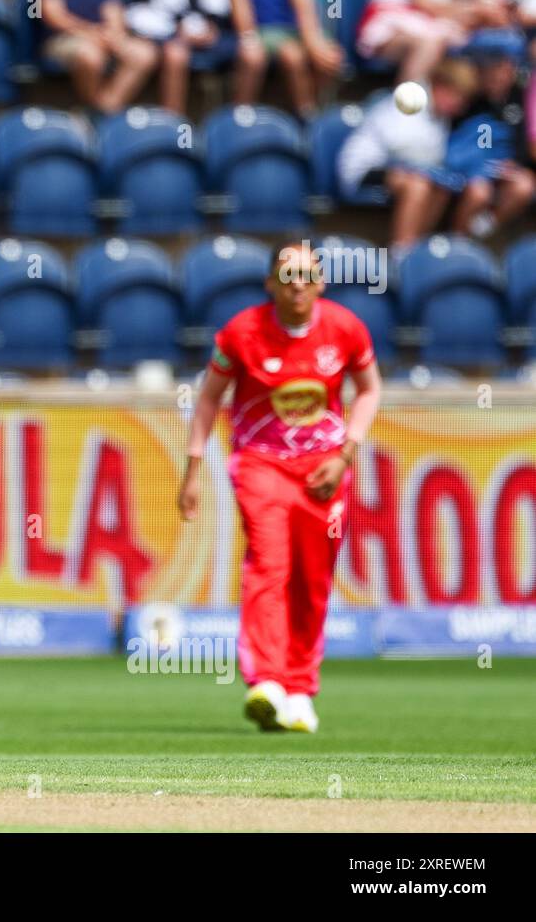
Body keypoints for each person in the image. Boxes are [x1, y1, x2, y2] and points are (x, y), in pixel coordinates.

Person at [178, 242, 382, 733]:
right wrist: (192, 467)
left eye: (307, 276)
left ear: (321, 282)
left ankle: (299, 689)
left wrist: (344, 455)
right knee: (269, 566)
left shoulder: (346, 329)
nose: (297, 285)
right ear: (270, 282)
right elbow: (207, 400)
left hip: (324, 470)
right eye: (287, 276)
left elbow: (370, 389)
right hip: (260, 464)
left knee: (312, 580)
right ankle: (265, 681)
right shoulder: (241, 333)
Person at [336, 57, 478, 255]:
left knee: (442, 187)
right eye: (458, 97)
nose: (460, 106)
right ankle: (400, 254)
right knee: (417, 185)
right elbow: (398, 145)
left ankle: (415, 250)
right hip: (363, 170)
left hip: (401, 170)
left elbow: (431, 156)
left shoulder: (441, 116)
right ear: (440, 85)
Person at [34, 0, 160, 115]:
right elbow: (54, 16)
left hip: (101, 36)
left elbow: (113, 12)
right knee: (90, 56)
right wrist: (91, 32)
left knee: (144, 53)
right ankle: (95, 111)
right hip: (63, 38)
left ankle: (104, 110)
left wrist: (113, 35)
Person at [446, 30, 536, 237]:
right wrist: (487, 164)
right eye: (495, 65)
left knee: (524, 185)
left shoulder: (517, 98)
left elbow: (521, 141)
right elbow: (476, 141)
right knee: (479, 192)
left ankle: (480, 229)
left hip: (501, 170)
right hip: (466, 169)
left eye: (508, 65)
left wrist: (514, 165)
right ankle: (457, 242)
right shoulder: (469, 99)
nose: (503, 71)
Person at [221, 0, 345, 117]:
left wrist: (315, 44)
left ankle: (310, 114)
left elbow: (303, 5)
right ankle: (241, 116)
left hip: (293, 33)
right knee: (289, 55)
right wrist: (249, 40)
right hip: (261, 33)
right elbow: (243, 18)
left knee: (329, 54)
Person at [356, 0, 510, 83]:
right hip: (387, 24)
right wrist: (477, 6)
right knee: (428, 43)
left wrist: (485, 15)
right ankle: (402, 116)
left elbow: (444, 9)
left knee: (497, 47)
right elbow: (426, 4)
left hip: (429, 24)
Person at [118, 0, 236, 114]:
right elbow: (135, 14)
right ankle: (174, 122)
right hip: (159, 35)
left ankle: (241, 121)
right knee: (176, 54)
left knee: (249, 50)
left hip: (203, 37)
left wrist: (211, 30)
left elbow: (218, 11)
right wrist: (176, 31)